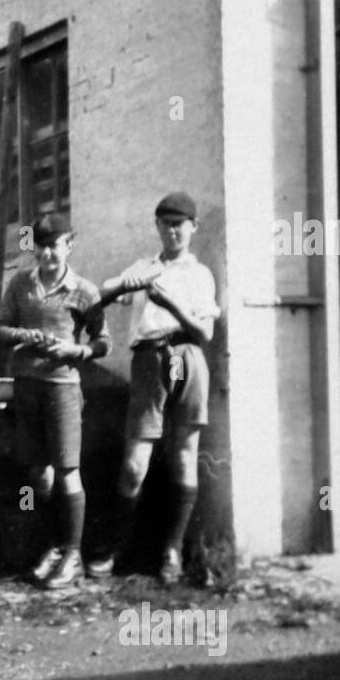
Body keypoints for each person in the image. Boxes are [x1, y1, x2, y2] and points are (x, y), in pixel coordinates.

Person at [88, 192, 219, 584]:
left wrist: (174, 304)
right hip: (149, 361)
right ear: (157, 227)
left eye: (180, 224)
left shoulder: (201, 274)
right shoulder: (146, 266)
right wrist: (126, 284)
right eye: (166, 224)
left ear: (192, 228)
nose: (173, 231)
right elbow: (104, 292)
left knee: (183, 457)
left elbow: (205, 333)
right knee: (134, 465)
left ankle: (172, 552)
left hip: (188, 357)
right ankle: (113, 549)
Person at [0, 213, 110, 589]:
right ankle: (53, 548)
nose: (47, 254)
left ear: (69, 246)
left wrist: (74, 349)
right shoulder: (19, 284)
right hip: (26, 387)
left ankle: (73, 554)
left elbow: (103, 342)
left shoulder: (85, 291)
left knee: (67, 471)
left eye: (54, 246)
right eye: (41, 247)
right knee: (37, 475)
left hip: (62, 387)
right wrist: (23, 335)